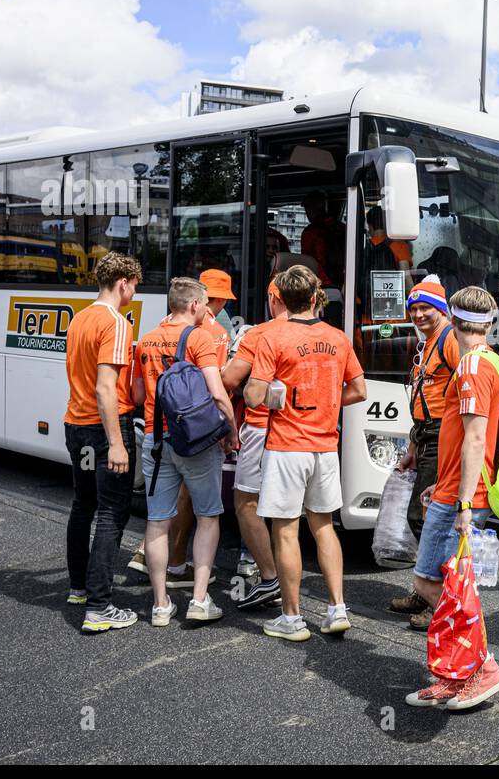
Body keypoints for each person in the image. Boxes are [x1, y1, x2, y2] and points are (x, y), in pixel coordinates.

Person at [244, 266, 367, 640]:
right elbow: (359, 390)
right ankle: (336, 608)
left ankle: (292, 618)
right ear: (315, 297)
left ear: (279, 298)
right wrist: (328, 403)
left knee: (285, 532)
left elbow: (252, 394)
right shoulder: (338, 338)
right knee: (324, 527)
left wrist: (278, 399)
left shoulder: (271, 337)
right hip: (325, 446)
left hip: (286, 447)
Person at [404, 286, 499, 710]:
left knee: (433, 582)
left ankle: (481, 666)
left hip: (461, 494)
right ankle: (454, 672)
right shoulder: (493, 361)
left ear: (452, 316)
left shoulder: (469, 367)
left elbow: (475, 437)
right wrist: (446, 482)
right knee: (448, 584)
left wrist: (463, 501)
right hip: (455, 487)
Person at [134, 277, 239, 626]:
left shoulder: (146, 340)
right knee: (208, 516)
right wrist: (231, 431)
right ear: (194, 306)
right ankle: (198, 599)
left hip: (155, 438)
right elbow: (217, 390)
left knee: (158, 521)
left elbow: (137, 396)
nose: (208, 309)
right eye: (206, 304)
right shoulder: (199, 338)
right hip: (194, 441)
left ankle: (160, 604)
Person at [63, 252, 142, 632]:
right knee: (112, 513)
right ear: (123, 281)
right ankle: (99, 607)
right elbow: (106, 387)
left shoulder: (80, 318)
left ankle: (79, 588)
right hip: (102, 429)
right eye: (134, 285)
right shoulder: (116, 323)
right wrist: (117, 443)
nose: (134, 292)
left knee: (84, 506)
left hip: (75, 425)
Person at [388, 276, 462, 628]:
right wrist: (413, 446)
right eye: (413, 308)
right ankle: (425, 588)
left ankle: (441, 600)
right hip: (426, 436)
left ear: (442, 309)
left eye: (425, 308)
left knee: (430, 520)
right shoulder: (429, 341)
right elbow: (424, 398)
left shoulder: (450, 339)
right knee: (423, 515)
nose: (417, 314)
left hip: (443, 437)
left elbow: (466, 393)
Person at [219, 281, 290, 611]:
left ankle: (268, 577)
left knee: (246, 501)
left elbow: (230, 381)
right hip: (304, 434)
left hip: (261, 427)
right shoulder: (326, 334)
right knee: (291, 514)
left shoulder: (258, 333)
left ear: (274, 299)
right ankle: (316, 603)